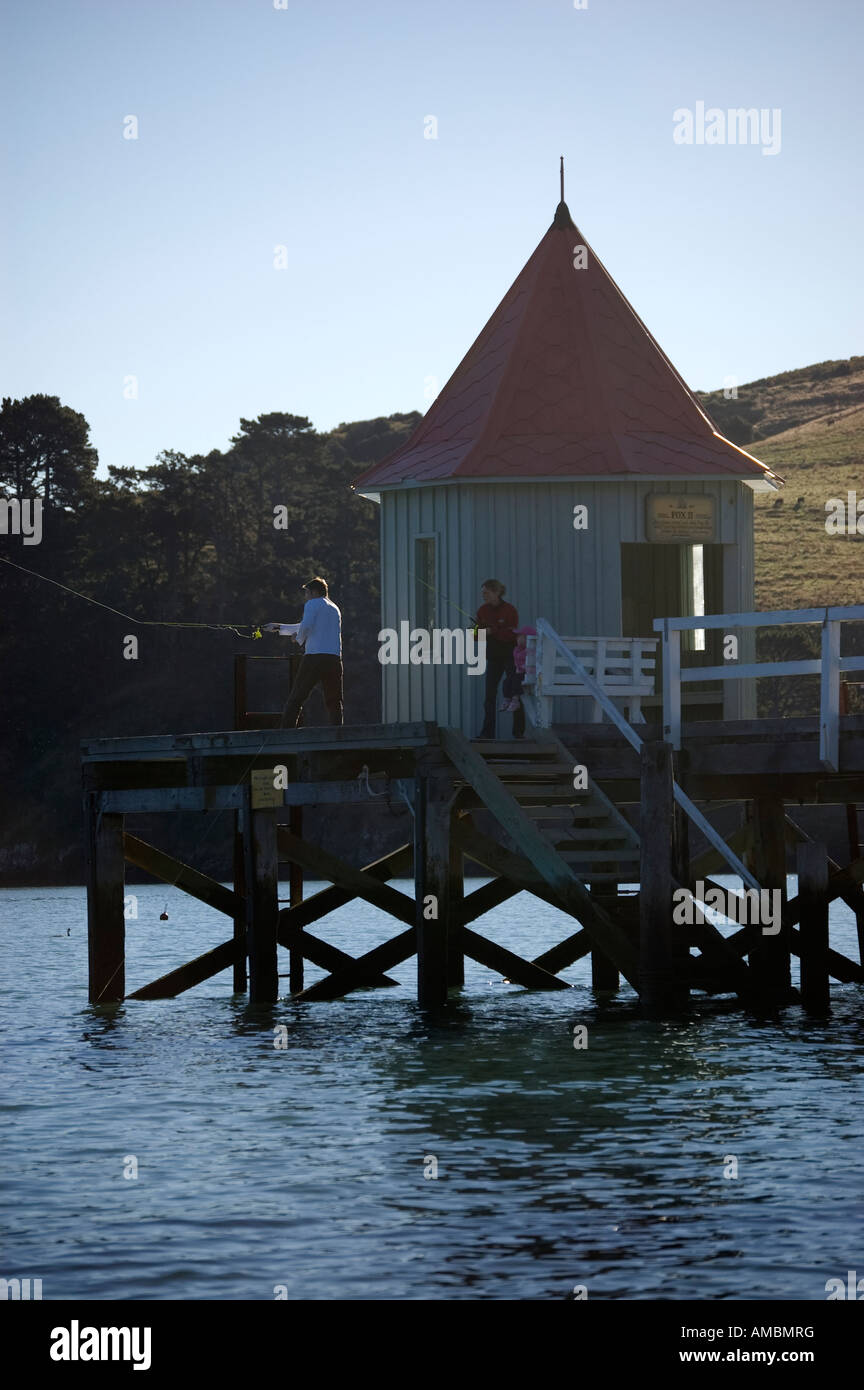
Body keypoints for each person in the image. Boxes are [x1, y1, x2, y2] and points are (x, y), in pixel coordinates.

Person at [264, 577, 343, 727]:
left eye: (306, 593)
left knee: (297, 697)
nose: (305, 596)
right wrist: (279, 627)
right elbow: (308, 626)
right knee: (334, 699)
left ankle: (286, 731)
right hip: (334, 659)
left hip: (314, 657)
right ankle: (337, 731)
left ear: (314, 592)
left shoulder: (312, 604)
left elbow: (306, 627)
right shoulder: (334, 608)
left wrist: (298, 640)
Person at [475, 579, 519, 740]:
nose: (483, 596)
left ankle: (518, 733)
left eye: (486, 592)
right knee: (489, 696)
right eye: (482, 593)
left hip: (510, 655)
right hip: (493, 657)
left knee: (515, 692)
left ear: (497, 592)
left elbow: (510, 633)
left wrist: (491, 630)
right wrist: (476, 632)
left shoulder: (510, 610)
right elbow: (476, 635)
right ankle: (487, 733)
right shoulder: (482, 611)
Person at [501, 624, 537, 740]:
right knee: (507, 680)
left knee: (516, 679)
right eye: (517, 637)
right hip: (520, 672)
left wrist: (522, 670)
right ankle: (508, 698)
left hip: (528, 673)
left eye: (520, 636)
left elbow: (532, 666)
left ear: (528, 639)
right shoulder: (516, 650)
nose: (517, 639)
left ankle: (515, 699)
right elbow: (517, 665)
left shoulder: (531, 650)